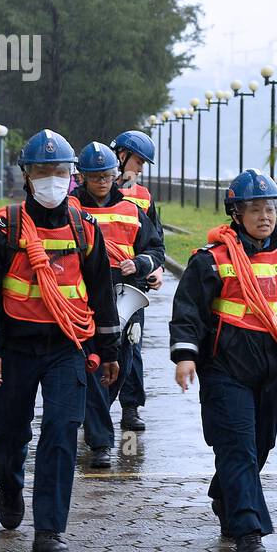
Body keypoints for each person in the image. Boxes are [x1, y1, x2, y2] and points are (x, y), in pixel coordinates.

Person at [0, 129, 121, 552]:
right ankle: (10, 483)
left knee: (61, 432)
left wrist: (108, 351)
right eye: (41, 171)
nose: (51, 179)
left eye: (59, 172)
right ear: (27, 176)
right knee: (7, 432)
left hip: (67, 347)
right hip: (14, 347)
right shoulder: (3, 226)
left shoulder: (84, 227)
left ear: (72, 176)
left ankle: (49, 529)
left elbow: (101, 293)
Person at [169, 169, 277, 552]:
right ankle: (249, 533)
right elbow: (187, 311)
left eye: (270, 208)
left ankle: (225, 494)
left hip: (272, 368)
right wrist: (186, 355)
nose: (265, 216)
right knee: (238, 447)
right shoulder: (210, 260)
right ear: (236, 213)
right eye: (255, 208)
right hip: (225, 369)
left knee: (260, 446)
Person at [71, 141, 165, 469]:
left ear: (114, 175)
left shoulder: (131, 209)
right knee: (92, 365)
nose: (101, 181)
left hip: (127, 293)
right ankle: (100, 441)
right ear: (82, 177)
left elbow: (155, 249)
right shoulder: (68, 209)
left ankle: (99, 413)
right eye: (94, 176)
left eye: (107, 175)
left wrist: (139, 264)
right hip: (83, 297)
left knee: (124, 361)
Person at [109, 130, 165, 433]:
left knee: (132, 346)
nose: (140, 168)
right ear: (121, 156)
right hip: (97, 287)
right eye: (139, 161)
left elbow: (156, 241)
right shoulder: (83, 189)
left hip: (133, 285)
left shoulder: (143, 196)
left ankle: (130, 409)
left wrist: (155, 269)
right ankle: (94, 407)